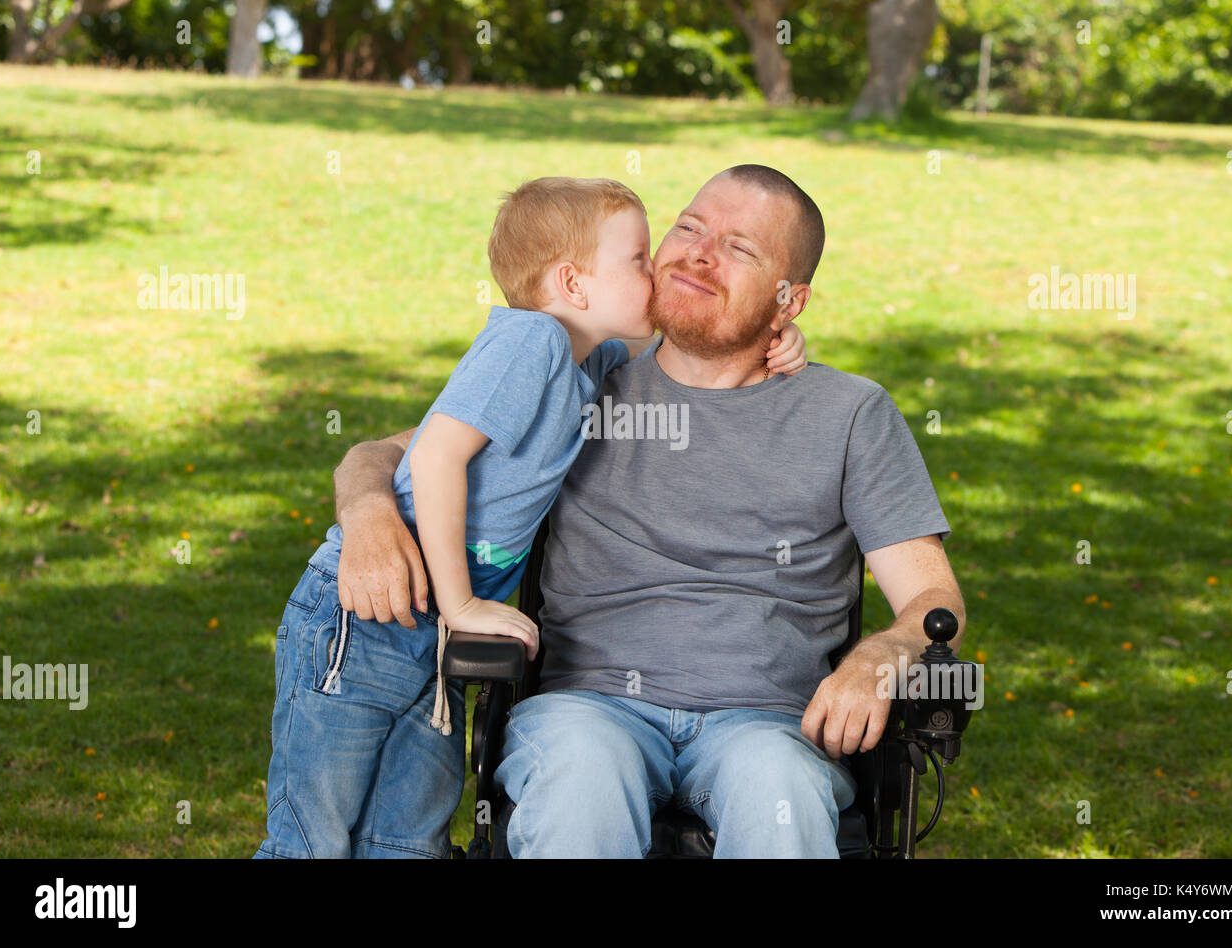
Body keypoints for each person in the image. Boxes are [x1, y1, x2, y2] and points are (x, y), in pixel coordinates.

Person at [330, 164, 965, 858]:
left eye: (739, 248)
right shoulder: (577, 376)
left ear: (790, 301)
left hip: (769, 725)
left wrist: (882, 657)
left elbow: (936, 603)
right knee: (580, 779)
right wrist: (369, 517)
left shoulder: (851, 415)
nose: (699, 251)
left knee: (779, 789)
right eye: (690, 227)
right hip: (588, 708)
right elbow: (389, 452)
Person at [254, 175, 808, 859]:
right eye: (638, 261)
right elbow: (432, 460)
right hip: (367, 615)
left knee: (404, 841)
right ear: (575, 286)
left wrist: (774, 338)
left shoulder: (587, 357)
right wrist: (460, 604)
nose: (657, 271)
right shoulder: (531, 345)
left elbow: (688, 345)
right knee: (312, 839)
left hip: (431, 637)